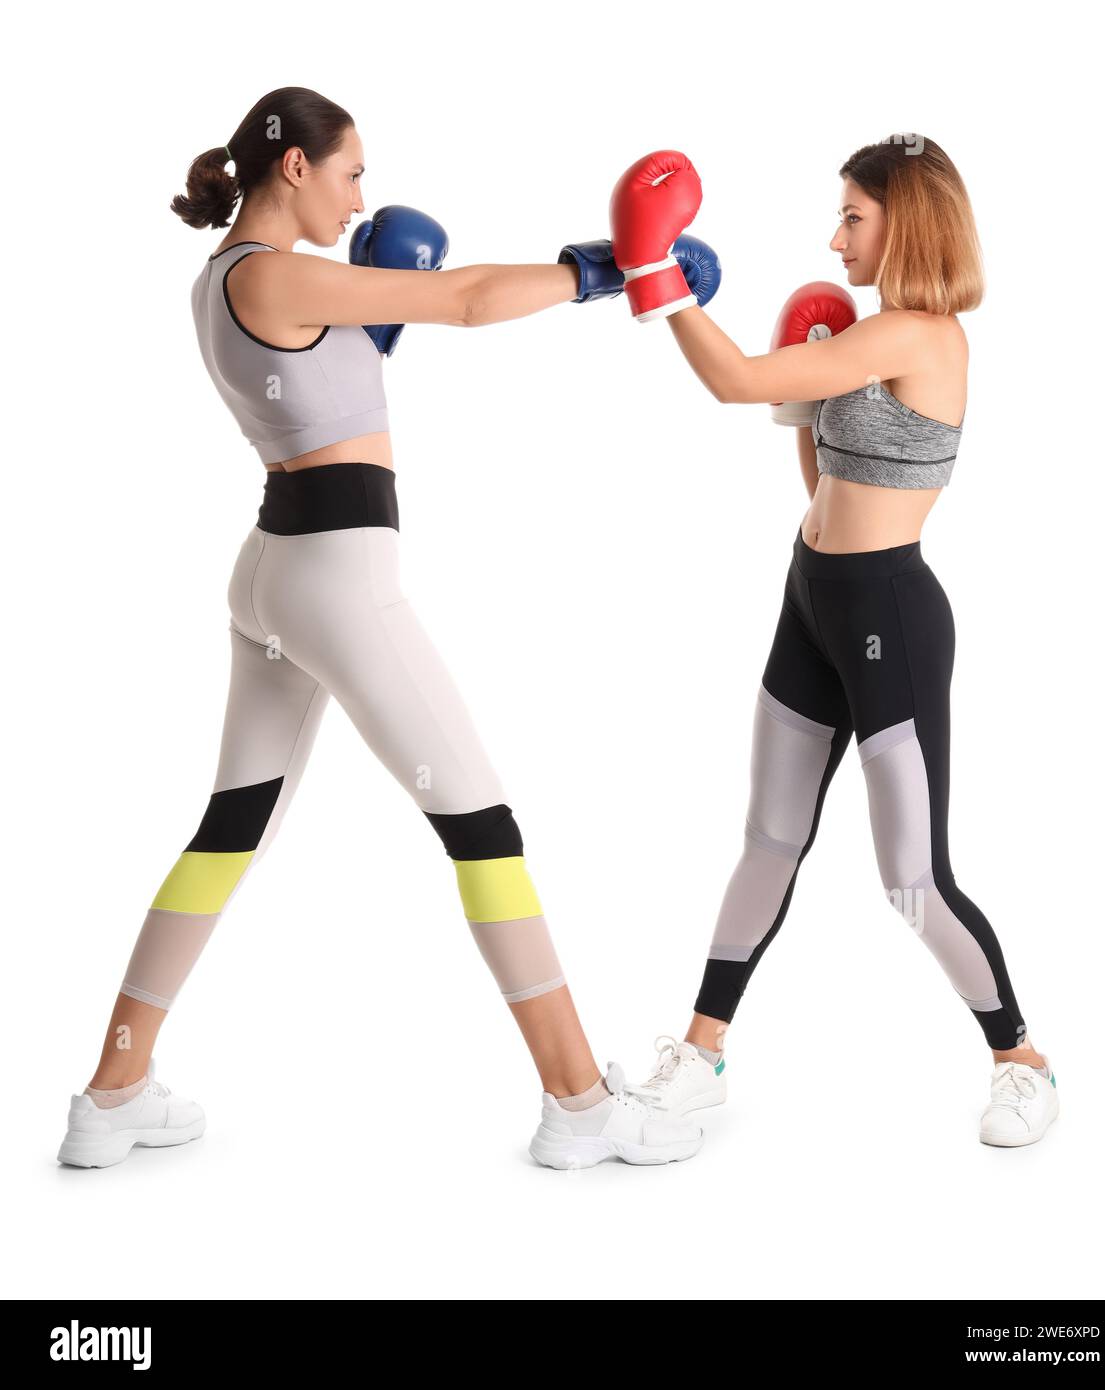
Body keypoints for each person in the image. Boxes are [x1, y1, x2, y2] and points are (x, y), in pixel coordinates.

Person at [56, 87, 716, 1171]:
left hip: (272, 574)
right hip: (338, 580)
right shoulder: (277, 271)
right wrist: (609, 270)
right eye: (351, 171)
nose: (362, 193)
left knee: (229, 829)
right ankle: (580, 1100)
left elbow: (323, 380)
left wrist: (383, 318)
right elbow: (459, 297)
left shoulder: (222, 279)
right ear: (297, 170)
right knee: (481, 826)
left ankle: (113, 1089)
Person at [609, 138, 1058, 1148]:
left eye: (851, 216)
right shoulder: (868, 335)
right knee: (768, 838)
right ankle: (701, 1052)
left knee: (911, 876)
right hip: (811, 593)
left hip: (887, 616)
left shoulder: (920, 336)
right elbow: (820, 486)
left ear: (906, 223)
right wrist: (802, 405)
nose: (834, 235)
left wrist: (654, 269)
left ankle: (1020, 1059)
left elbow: (731, 382)